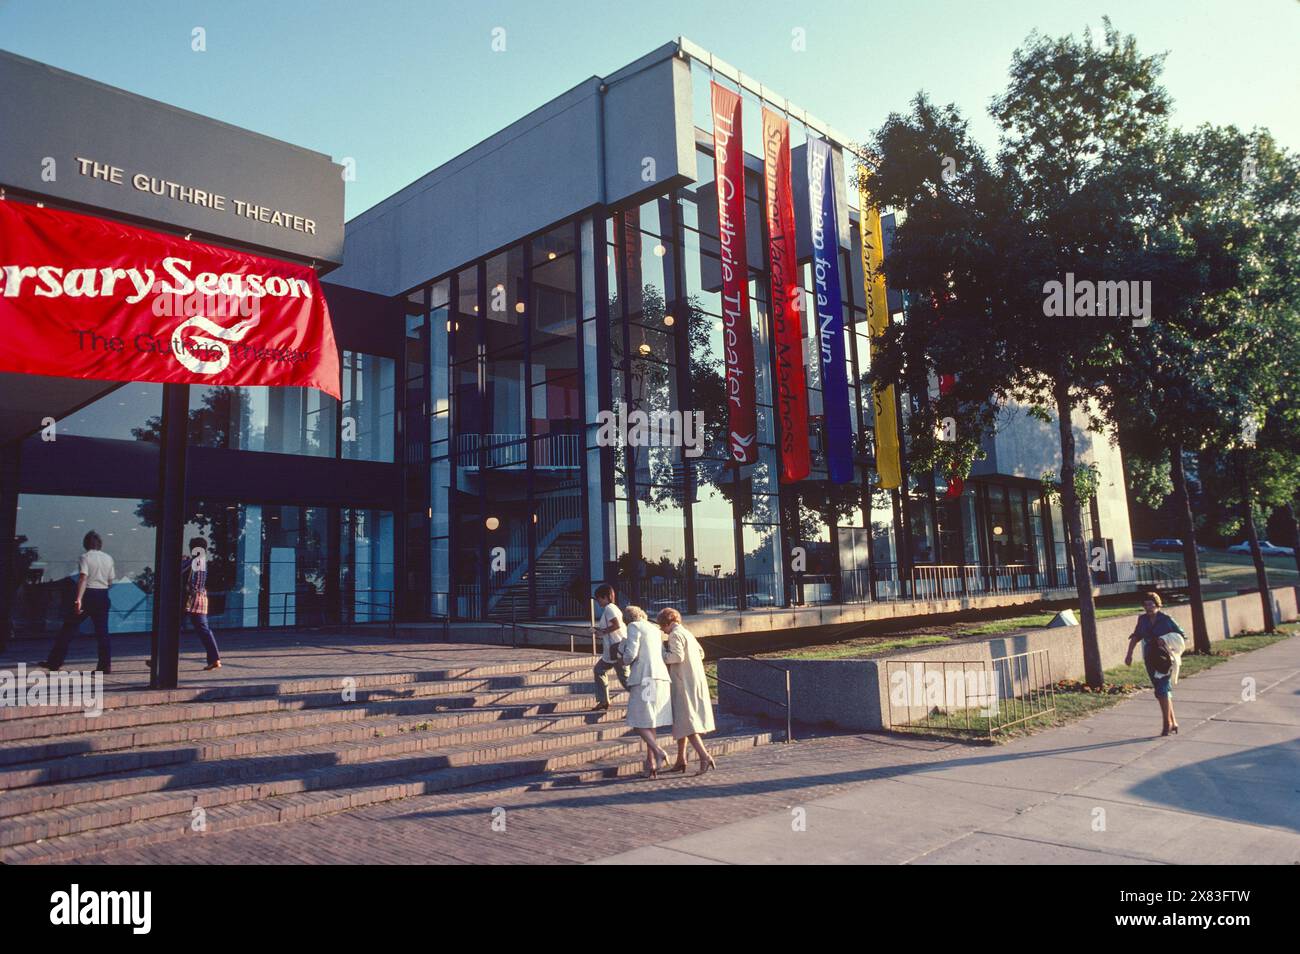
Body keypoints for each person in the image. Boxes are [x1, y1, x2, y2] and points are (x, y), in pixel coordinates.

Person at [38, 531, 114, 673]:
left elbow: (83, 578)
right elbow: (110, 581)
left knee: (68, 629)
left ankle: (55, 661)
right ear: (100, 544)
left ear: (86, 544)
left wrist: (78, 599)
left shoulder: (84, 557)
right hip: (103, 595)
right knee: (102, 632)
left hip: (88, 594)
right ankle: (105, 665)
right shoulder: (108, 558)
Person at [658, 607, 717, 775]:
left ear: (668, 623)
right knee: (683, 721)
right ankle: (681, 759)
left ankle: (704, 757)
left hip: (682, 682)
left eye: (662, 626)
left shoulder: (675, 635)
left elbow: (676, 657)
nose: (662, 630)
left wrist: (662, 654)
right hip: (694, 680)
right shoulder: (687, 633)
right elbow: (701, 652)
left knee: (687, 722)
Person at [1124, 591, 1186, 736]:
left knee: (1162, 688)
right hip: (1150, 657)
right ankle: (1173, 722)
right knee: (1161, 690)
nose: (1148, 607)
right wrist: (1129, 655)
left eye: (1151, 604)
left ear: (1157, 604)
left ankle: (1167, 724)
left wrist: (1165, 639)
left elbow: (1181, 635)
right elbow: (1136, 636)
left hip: (1164, 657)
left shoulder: (1166, 619)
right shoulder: (1142, 619)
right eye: (1146, 605)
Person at [621, 605, 673, 777]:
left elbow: (631, 653)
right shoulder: (653, 628)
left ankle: (658, 752)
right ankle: (651, 762)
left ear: (627, 619)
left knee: (636, 720)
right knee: (649, 720)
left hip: (645, 678)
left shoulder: (633, 626)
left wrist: (623, 660)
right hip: (659, 677)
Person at [182, 537, 222, 671]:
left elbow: (182, 571)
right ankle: (214, 658)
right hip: (201, 598)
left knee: (169, 627)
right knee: (204, 630)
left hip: (192, 599)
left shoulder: (196, 561)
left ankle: (160, 658)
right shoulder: (201, 560)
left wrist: (183, 561)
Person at [591, 583, 629, 711]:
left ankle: (644, 698)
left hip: (616, 649)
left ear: (605, 597)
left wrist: (602, 632)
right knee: (599, 670)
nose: (597, 602)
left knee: (625, 678)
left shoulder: (609, 609)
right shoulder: (613, 608)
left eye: (598, 599)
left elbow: (616, 625)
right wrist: (600, 631)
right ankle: (603, 700)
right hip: (612, 650)